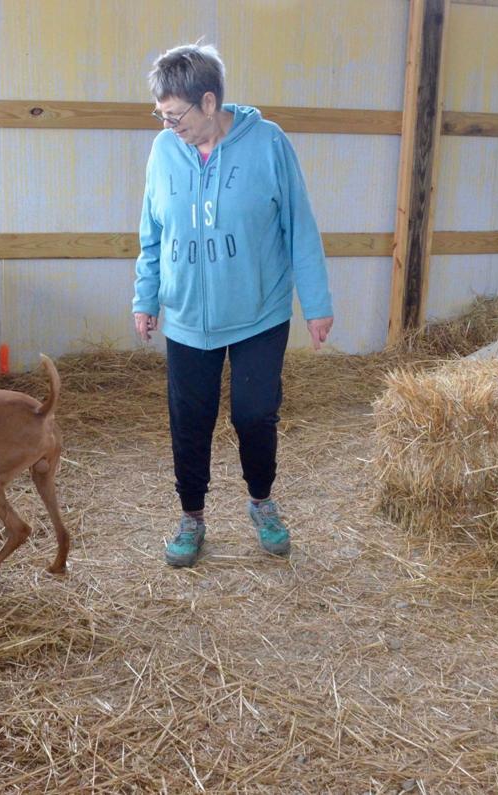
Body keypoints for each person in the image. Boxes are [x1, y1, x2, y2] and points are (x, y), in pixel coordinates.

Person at [132, 42, 334, 568]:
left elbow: (299, 226)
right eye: (161, 114)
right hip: (186, 317)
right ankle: (192, 516)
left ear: (208, 100)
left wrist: (316, 303)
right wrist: (146, 295)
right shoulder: (163, 151)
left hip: (258, 314)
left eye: (175, 115)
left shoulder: (267, 143)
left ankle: (262, 501)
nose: (168, 124)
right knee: (189, 419)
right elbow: (151, 231)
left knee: (254, 415)